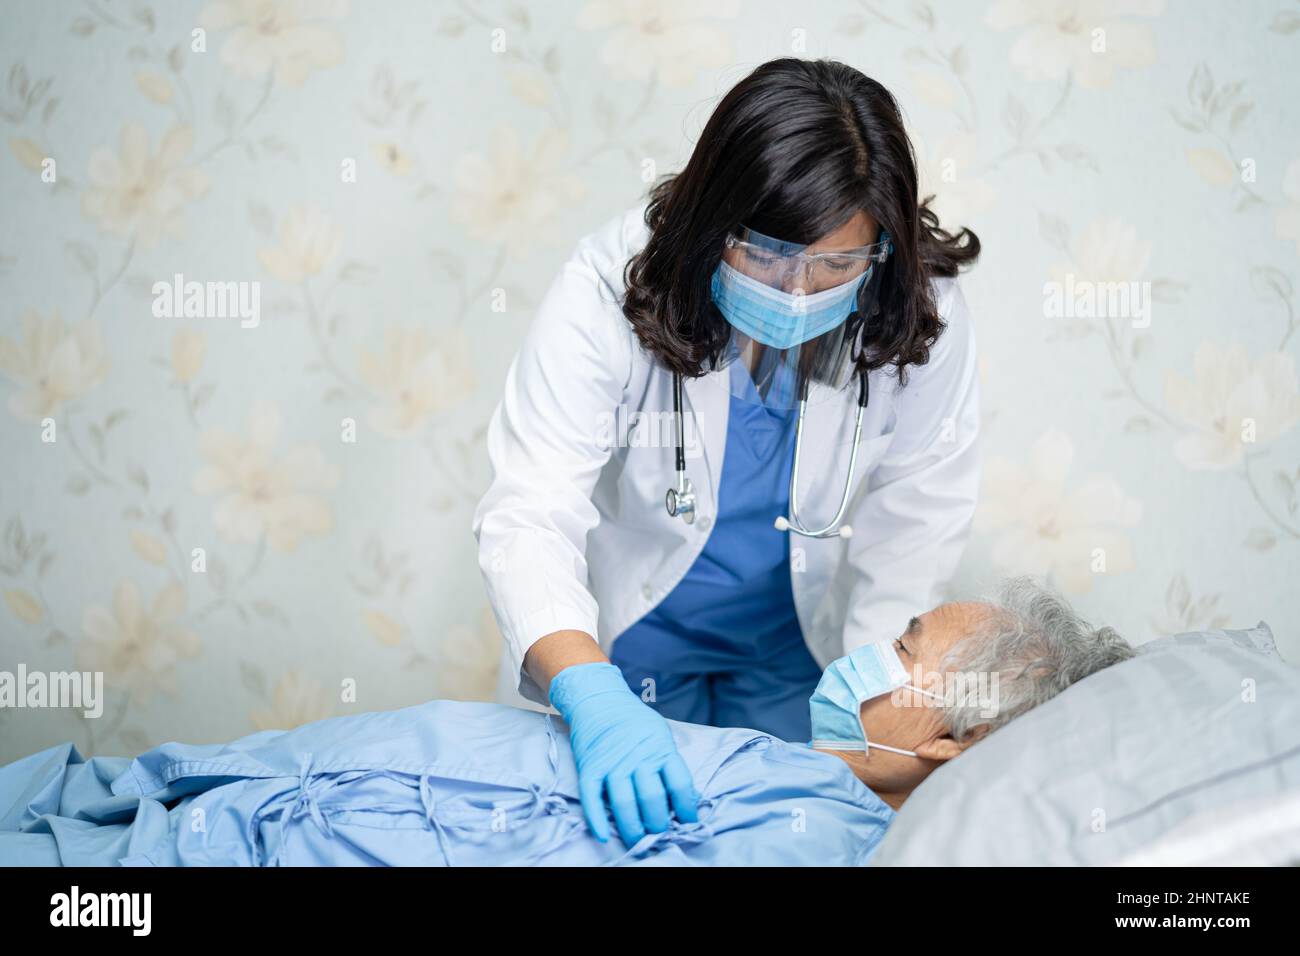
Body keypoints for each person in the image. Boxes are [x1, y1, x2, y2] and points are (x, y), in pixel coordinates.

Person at [472, 56, 982, 849]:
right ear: (715, 226)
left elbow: (919, 516)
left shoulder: (916, 307)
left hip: (791, 656)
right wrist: (589, 692)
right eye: (768, 254)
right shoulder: (607, 285)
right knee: (617, 840)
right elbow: (530, 508)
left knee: (789, 843)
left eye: (838, 263)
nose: (799, 291)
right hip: (631, 646)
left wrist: (872, 722)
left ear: (881, 248)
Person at [0, 580, 1131, 867]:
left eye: (909, 643)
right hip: (212, 793)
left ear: (948, 746)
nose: (869, 650)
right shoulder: (802, 777)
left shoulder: (816, 833)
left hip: (235, 839)